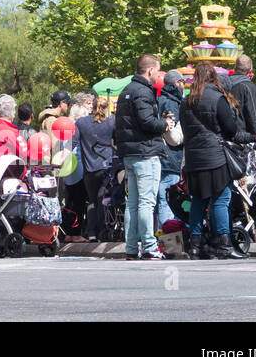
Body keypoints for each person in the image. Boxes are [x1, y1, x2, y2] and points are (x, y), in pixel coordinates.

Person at [180, 62, 249, 260]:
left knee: (198, 201)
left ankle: (195, 245)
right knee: (220, 200)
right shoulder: (217, 98)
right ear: (213, 77)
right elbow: (230, 129)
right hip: (215, 157)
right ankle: (224, 244)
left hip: (193, 158)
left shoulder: (185, 102)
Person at [114, 54, 174, 261]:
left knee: (133, 203)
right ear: (150, 71)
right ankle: (149, 246)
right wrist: (165, 124)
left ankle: (131, 247)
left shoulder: (126, 91)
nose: (158, 75)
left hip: (129, 153)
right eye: (157, 71)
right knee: (147, 202)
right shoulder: (143, 91)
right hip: (146, 152)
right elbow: (147, 122)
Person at [76, 93, 116, 241]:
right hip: (107, 167)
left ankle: (91, 232)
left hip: (89, 169)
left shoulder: (81, 123)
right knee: (103, 200)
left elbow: (72, 142)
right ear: (106, 108)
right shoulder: (112, 122)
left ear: (92, 107)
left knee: (92, 201)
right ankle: (103, 233)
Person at [156, 70, 186, 232]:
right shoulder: (171, 103)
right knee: (167, 201)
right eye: (183, 82)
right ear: (177, 83)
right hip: (170, 159)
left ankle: (160, 238)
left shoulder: (159, 100)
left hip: (160, 157)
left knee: (159, 201)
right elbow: (172, 136)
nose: (184, 86)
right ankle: (169, 241)